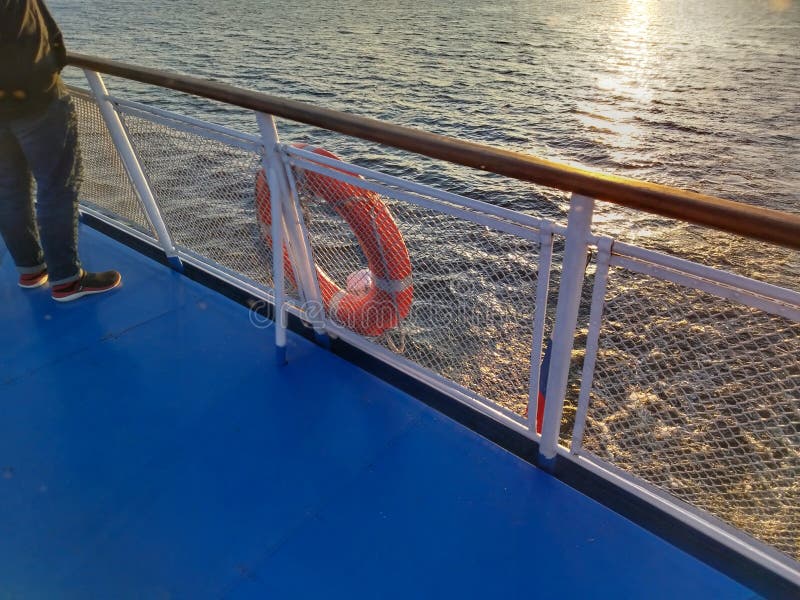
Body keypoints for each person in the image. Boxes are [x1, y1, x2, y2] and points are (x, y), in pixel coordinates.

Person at [0, 0, 120, 302]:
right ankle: (66, 279)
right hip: (35, 100)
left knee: (9, 190)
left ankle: (30, 268)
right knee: (56, 188)